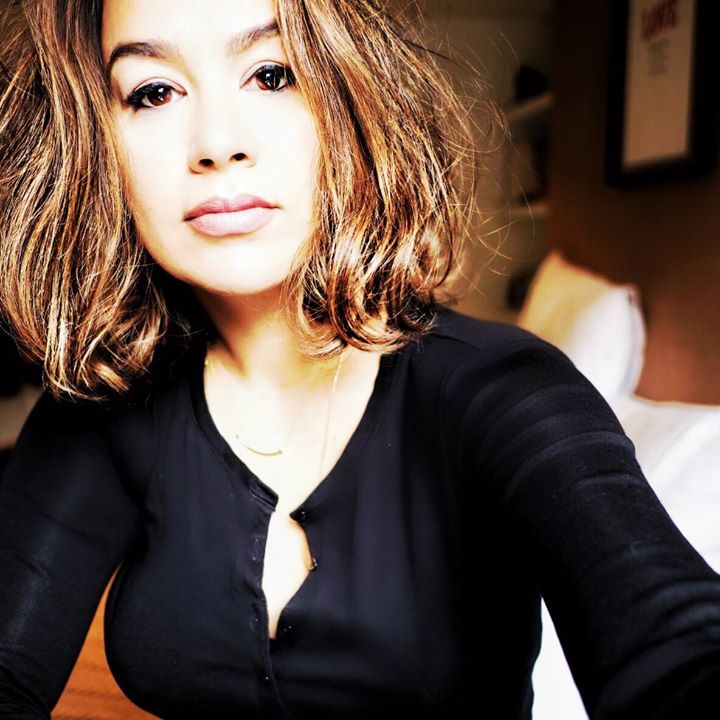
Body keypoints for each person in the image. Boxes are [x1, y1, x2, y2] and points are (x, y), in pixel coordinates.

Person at [1, 1, 720, 718]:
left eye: (272, 74)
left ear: (353, 99)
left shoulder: (506, 391)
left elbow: (675, 647)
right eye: (154, 92)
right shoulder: (104, 407)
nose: (217, 143)